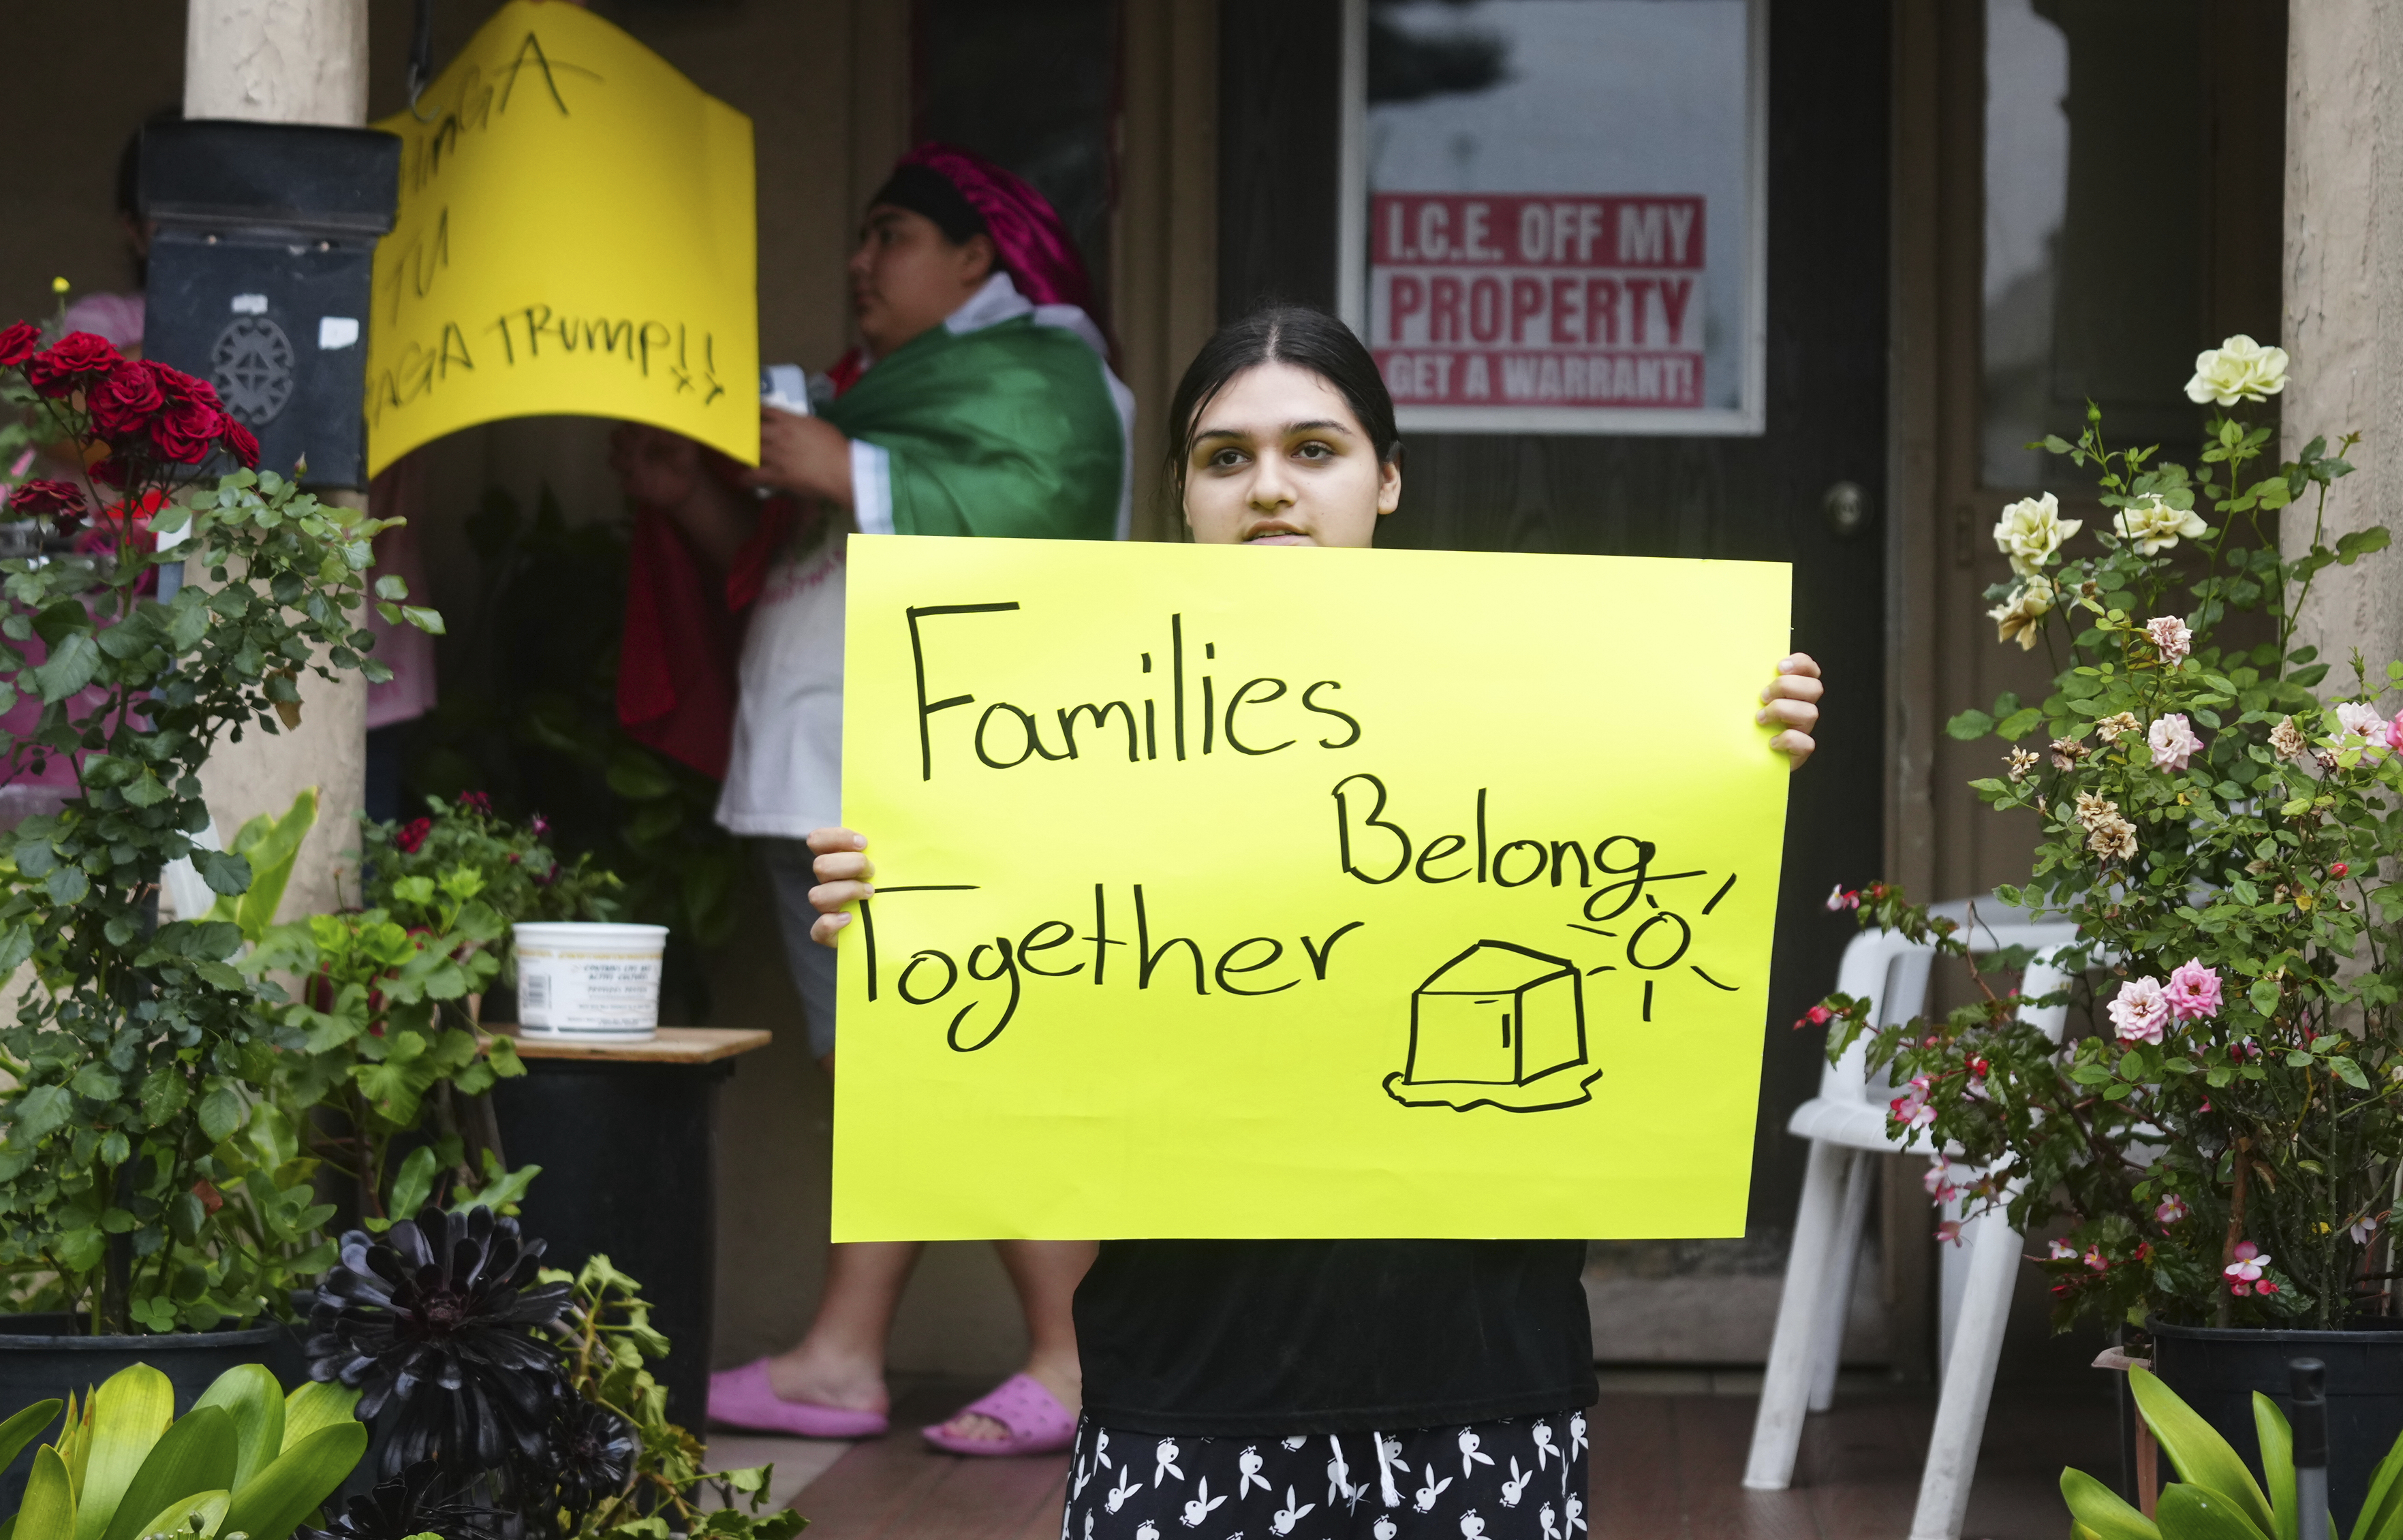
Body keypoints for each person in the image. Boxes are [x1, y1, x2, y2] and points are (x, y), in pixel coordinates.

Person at [796, 306, 1825, 1535]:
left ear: (1388, 479)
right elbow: (1018, 1015)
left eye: (1315, 450)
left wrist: (1734, 737)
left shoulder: (1550, 705)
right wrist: (900, 905)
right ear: (1181, 494)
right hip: (1186, 1381)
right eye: (1225, 457)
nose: (1270, 487)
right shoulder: (1063, 732)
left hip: (1477, 1382)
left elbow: (1644, 884)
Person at [606, 136, 1132, 1455]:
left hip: (937, 779)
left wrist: (840, 463)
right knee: (891, 1073)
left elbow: (1047, 516)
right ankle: (841, 1357)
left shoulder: (1051, 378)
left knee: (958, 1058)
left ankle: (1079, 1359)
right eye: (859, 235)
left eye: (889, 233)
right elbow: (806, 569)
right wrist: (695, 500)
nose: (858, 260)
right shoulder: (876, 394)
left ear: (978, 257)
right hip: (816, 770)